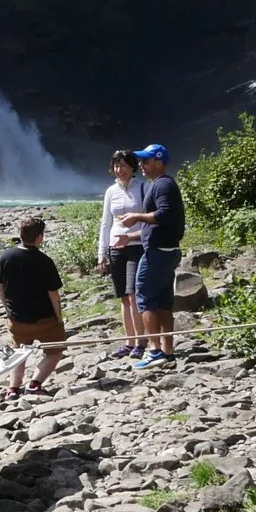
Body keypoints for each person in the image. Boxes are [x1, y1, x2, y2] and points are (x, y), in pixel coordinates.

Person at [117, 144, 186, 368]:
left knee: (144, 298)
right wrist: (132, 236)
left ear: (159, 162)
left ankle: (154, 350)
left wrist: (137, 216)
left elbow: (165, 215)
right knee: (164, 302)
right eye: (141, 162)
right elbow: (158, 225)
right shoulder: (161, 184)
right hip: (167, 250)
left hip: (158, 253)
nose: (142, 166)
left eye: (146, 161)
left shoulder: (163, 185)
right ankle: (167, 350)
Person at [0, 215, 66, 393]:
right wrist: (59, 319)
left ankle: (13, 389)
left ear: (20, 233)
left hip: (17, 320)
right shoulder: (44, 261)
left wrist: (7, 309)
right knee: (55, 352)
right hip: (44, 320)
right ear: (39, 237)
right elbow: (53, 295)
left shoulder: (6, 257)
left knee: (19, 353)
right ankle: (35, 384)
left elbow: (0, 285)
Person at [97, 150, 149, 358]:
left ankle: (141, 341)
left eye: (123, 165)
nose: (119, 170)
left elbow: (149, 219)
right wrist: (101, 253)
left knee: (134, 294)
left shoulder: (144, 188)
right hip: (115, 248)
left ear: (132, 167)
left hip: (137, 246)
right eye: (116, 166)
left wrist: (135, 236)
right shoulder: (111, 191)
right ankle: (128, 342)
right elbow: (105, 223)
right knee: (123, 298)